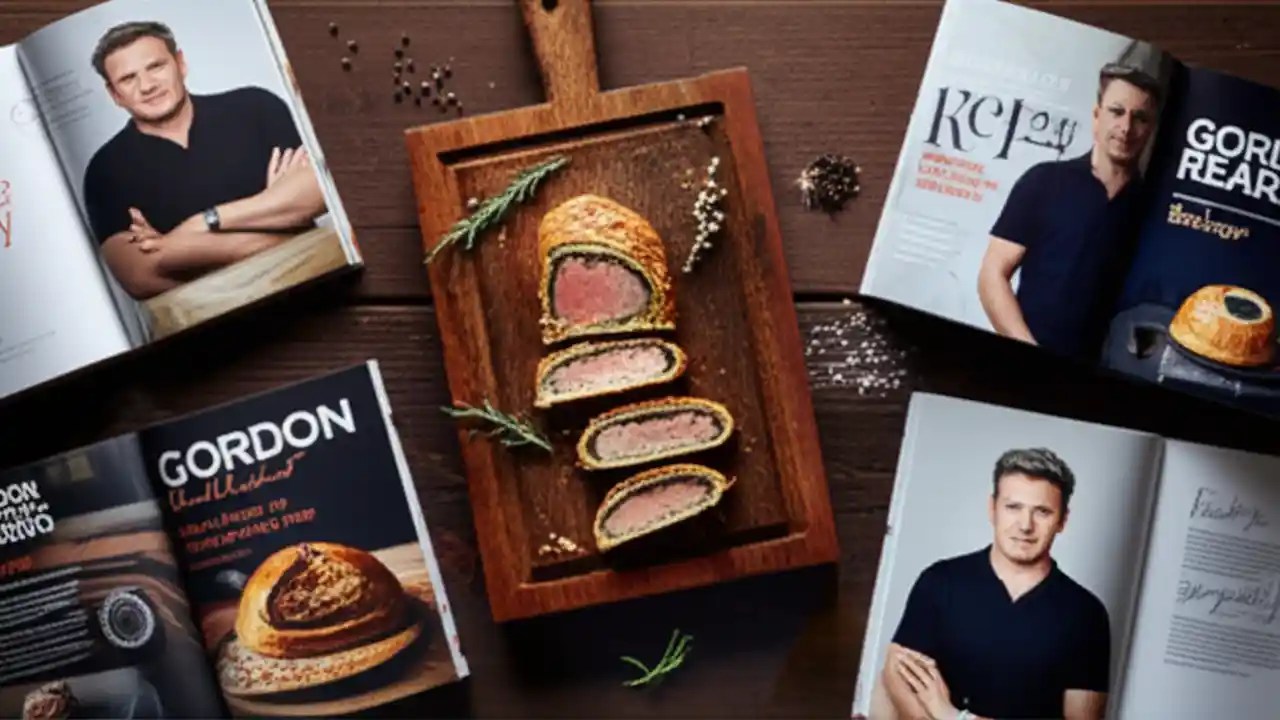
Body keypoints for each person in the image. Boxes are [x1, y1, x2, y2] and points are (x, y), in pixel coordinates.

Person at [83, 21, 326, 300]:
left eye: (156, 67)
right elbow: (138, 275)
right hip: (223, 321)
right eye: (128, 79)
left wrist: (196, 229)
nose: (147, 86)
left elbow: (316, 194)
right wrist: (280, 222)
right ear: (114, 94)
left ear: (180, 63)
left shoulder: (255, 107)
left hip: (320, 294)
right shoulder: (105, 170)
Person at [872, 448, 1112, 720]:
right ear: (992, 508)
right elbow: (896, 675)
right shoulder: (941, 581)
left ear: (1062, 520)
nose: (1025, 525)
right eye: (1013, 507)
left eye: (1042, 512)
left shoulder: (1086, 614)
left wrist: (952, 716)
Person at [977, 63, 1162, 362]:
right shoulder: (1044, 180)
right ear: (1096, 115)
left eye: (1140, 117)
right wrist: (1027, 350)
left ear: (1150, 128)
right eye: (1116, 111)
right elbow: (992, 275)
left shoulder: (1153, 206)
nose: (1126, 128)